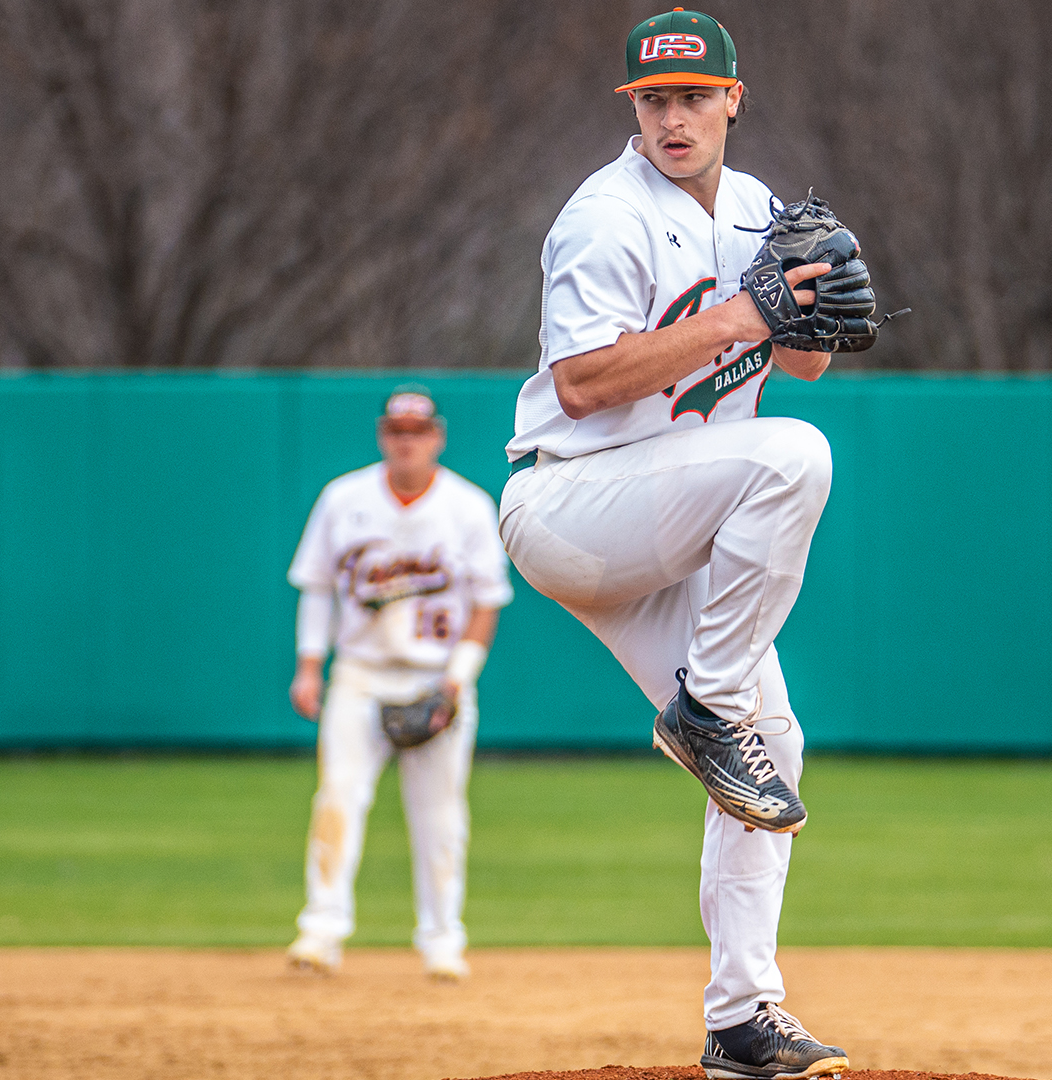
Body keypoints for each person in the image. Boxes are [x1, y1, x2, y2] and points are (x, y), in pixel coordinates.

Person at [497, 11, 848, 1080]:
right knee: (793, 459)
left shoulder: (755, 210)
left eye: (695, 95)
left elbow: (803, 369)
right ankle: (706, 708)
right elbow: (585, 384)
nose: (674, 116)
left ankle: (744, 1018)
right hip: (573, 507)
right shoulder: (604, 216)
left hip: (673, 523)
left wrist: (809, 315)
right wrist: (747, 314)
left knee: (769, 754)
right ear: (634, 111)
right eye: (655, 99)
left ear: (733, 100)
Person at [285, 385, 512, 980]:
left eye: (417, 431)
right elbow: (317, 586)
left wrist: (458, 680)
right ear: (383, 436)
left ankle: (442, 941)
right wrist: (310, 665)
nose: (406, 441)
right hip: (359, 675)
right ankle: (321, 930)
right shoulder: (344, 498)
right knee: (336, 799)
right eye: (396, 431)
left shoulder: (467, 506)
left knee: (440, 816)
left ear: (436, 436)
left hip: (437, 678)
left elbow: (487, 603)